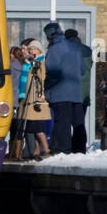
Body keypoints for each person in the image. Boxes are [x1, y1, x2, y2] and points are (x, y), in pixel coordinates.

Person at [42, 22, 81, 154]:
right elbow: (82, 70)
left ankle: (62, 150)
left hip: (60, 93)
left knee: (61, 123)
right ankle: (78, 149)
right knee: (77, 123)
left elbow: (52, 72)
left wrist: (46, 89)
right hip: (76, 93)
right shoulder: (74, 47)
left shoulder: (54, 49)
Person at [20, 38, 51, 159]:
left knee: (38, 127)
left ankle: (46, 148)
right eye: (30, 49)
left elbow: (42, 77)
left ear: (38, 50)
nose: (32, 51)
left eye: (34, 49)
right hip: (28, 99)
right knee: (31, 127)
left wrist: (36, 66)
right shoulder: (28, 63)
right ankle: (36, 150)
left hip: (37, 98)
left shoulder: (42, 62)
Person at [65, 28, 92, 153]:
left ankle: (71, 147)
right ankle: (80, 148)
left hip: (71, 92)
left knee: (66, 122)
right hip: (84, 93)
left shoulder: (68, 50)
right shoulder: (87, 50)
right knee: (79, 123)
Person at [8, 45, 27, 160]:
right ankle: (18, 152)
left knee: (12, 126)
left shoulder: (10, 66)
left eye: (11, 53)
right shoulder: (24, 66)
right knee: (18, 126)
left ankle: (12, 152)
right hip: (21, 97)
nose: (9, 55)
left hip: (11, 97)